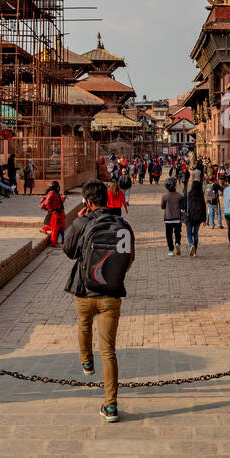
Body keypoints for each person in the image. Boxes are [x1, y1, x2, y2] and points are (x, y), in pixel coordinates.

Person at [63, 180, 134, 423]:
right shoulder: (122, 225)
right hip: (111, 294)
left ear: (88, 202)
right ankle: (111, 406)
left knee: (83, 324)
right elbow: (128, 258)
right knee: (109, 351)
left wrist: (78, 221)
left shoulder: (83, 223)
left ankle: (86, 363)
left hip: (84, 290)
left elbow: (69, 251)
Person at [161, 177, 184, 256]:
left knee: (169, 234)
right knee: (177, 233)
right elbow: (182, 206)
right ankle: (177, 243)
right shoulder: (180, 196)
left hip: (168, 218)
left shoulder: (165, 196)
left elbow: (162, 207)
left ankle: (171, 249)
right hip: (177, 218)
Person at [185, 178, 206, 257]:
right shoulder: (201, 196)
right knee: (196, 234)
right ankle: (195, 251)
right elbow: (204, 208)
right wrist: (204, 220)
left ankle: (191, 244)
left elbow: (185, 205)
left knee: (189, 233)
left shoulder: (188, 194)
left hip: (190, 217)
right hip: (198, 217)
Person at [40, 182, 65, 246]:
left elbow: (58, 203)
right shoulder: (52, 193)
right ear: (56, 187)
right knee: (55, 228)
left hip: (58, 212)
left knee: (57, 227)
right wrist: (52, 210)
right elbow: (47, 203)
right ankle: (53, 243)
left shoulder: (56, 193)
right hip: (55, 213)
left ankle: (44, 228)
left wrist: (63, 199)